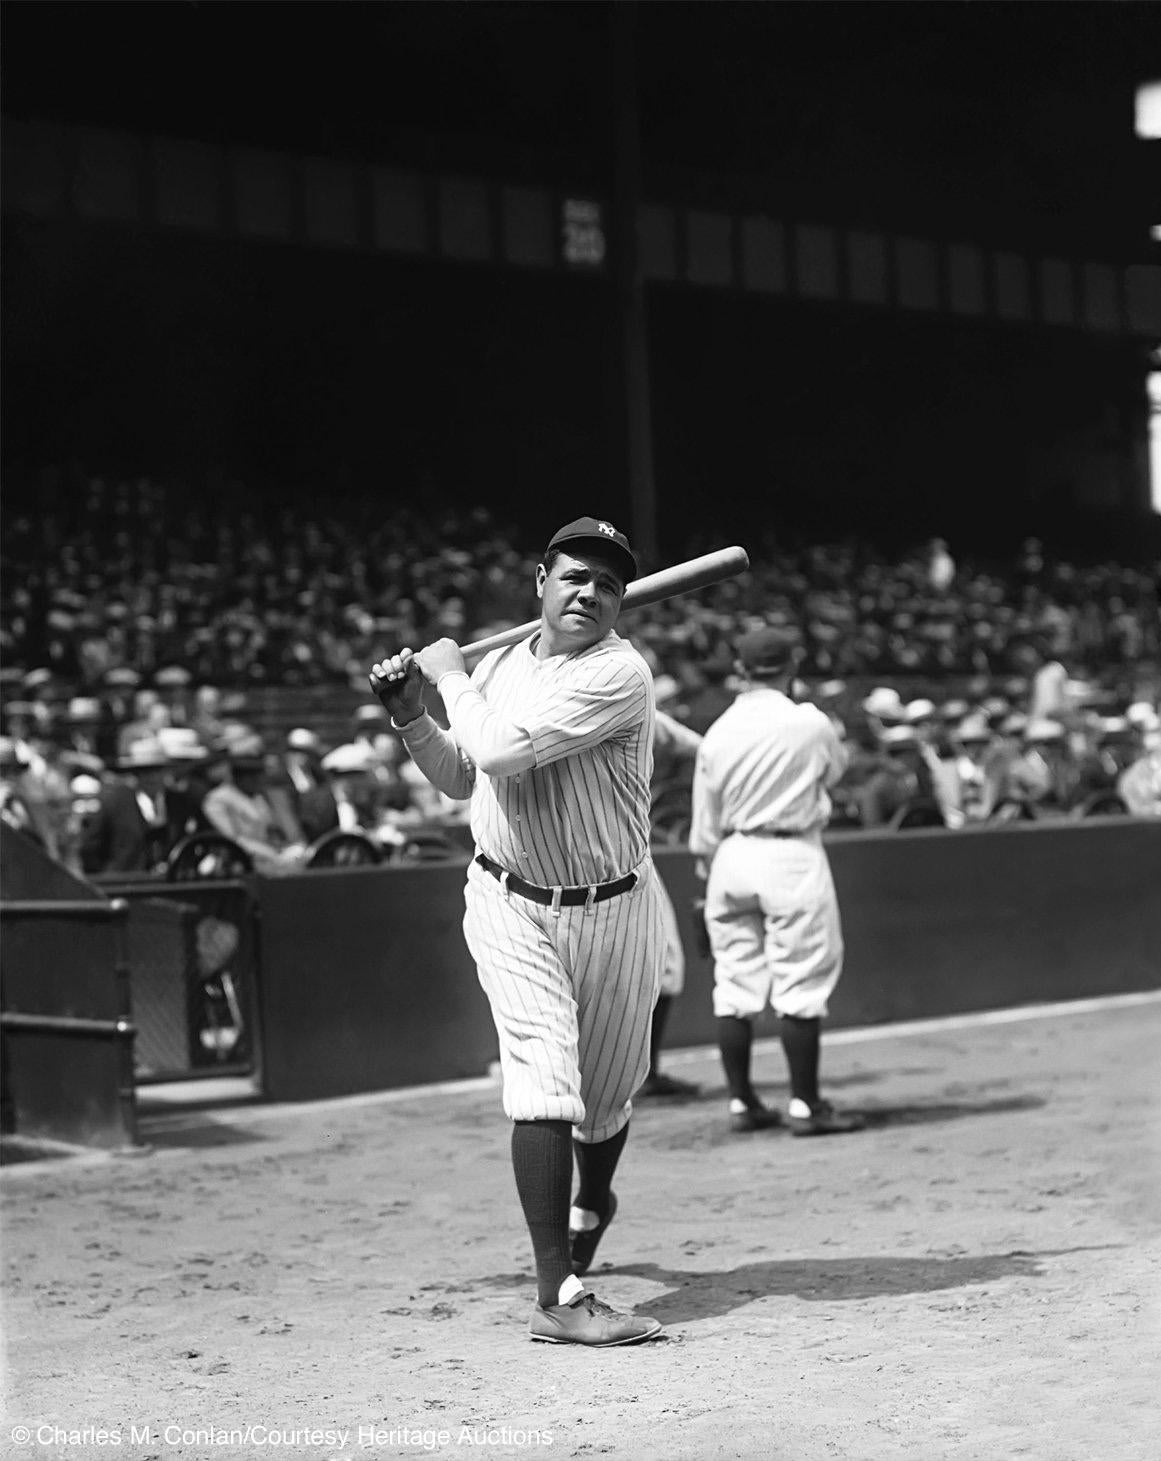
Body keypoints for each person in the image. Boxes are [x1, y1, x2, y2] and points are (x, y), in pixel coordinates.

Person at [369, 515, 666, 1348]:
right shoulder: (499, 665)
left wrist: (447, 675)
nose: (590, 593)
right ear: (540, 580)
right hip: (508, 897)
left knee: (605, 1099)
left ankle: (590, 1201)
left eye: (608, 584)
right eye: (575, 576)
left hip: (612, 905)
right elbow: (461, 776)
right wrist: (411, 716)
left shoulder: (620, 672)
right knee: (543, 1079)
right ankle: (558, 1292)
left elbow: (497, 751)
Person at [689, 627, 864, 1137]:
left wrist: (707, 873)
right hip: (790, 851)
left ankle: (742, 1101)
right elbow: (835, 772)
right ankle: (805, 1105)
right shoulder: (808, 721)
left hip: (732, 853)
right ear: (792, 667)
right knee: (801, 982)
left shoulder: (718, 730)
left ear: (740, 672)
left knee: (735, 984)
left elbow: (704, 822)